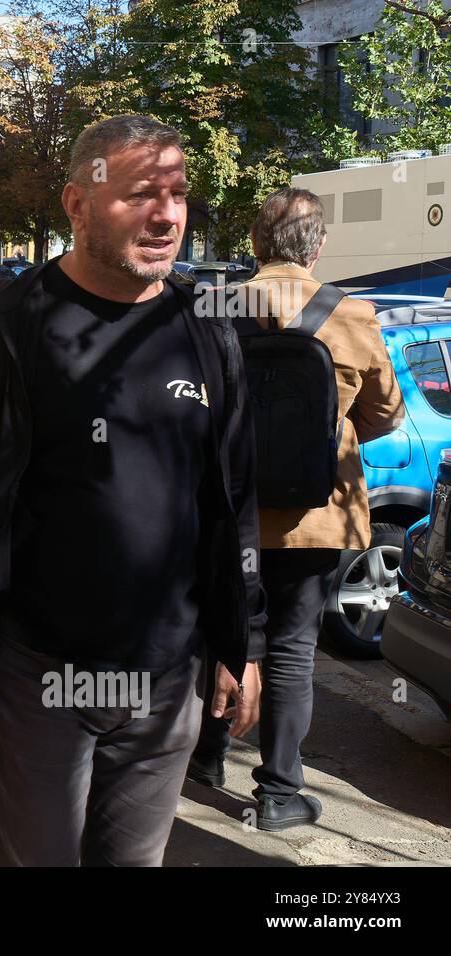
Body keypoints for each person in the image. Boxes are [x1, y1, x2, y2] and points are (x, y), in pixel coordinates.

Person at [0, 114, 267, 866]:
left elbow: (232, 496)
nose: (168, 215)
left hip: (168, 678)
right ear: (78, 205)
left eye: (177, 193)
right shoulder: (8, 323)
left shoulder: (207, 322)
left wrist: (243, 642)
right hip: (37, 671)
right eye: (142, 194)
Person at [187, 187, 404, 830]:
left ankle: (206, 755)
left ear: (255, 243)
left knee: (222, 634)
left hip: (227, 511)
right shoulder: (352, 313)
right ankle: (280, 791)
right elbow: (385, 414)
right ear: (318, 247)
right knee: (290, 650)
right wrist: (322, 434)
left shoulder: (215, 305)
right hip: (316, 516)